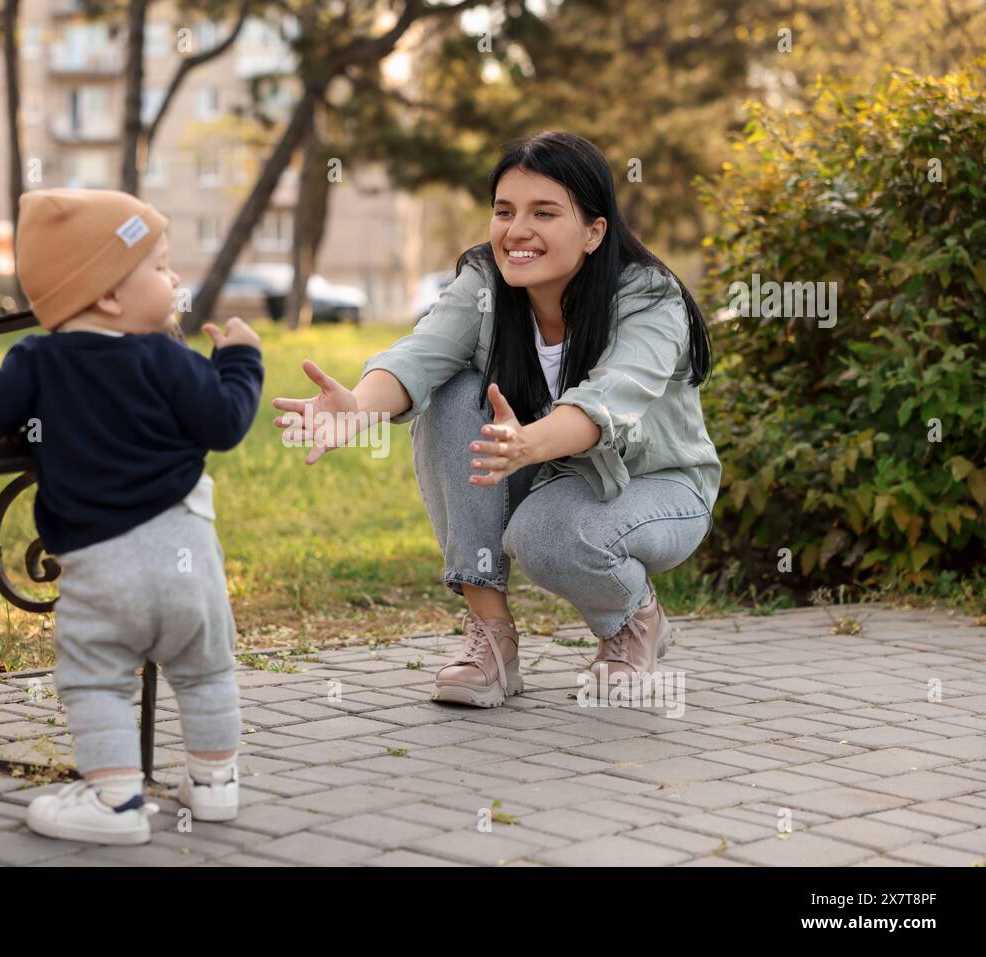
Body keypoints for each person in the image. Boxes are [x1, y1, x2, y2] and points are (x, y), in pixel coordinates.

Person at [273, 131, 720, 708]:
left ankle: (634, 619)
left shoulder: (648, 298)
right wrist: (359, 407)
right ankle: (493, 637)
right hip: (553, 470)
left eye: (544, 212)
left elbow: (610, 400)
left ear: (594, 230)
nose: (517, 230)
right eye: (504, 211)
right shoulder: (486, 283)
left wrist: (526, 443)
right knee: (452, 389)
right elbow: (420, 354)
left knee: (549, 538)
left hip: (659, 487)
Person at [0, 188, 264, 844]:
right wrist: (241, 360)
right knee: (208, 669)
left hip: (102, 572)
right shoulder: (172, 360)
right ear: (106, 295)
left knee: (96, 682)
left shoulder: (39, 362)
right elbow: (227, 421)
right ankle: (214, 785)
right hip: (188, 558)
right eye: (159, 266)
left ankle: (117, 801)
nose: (175, 277)